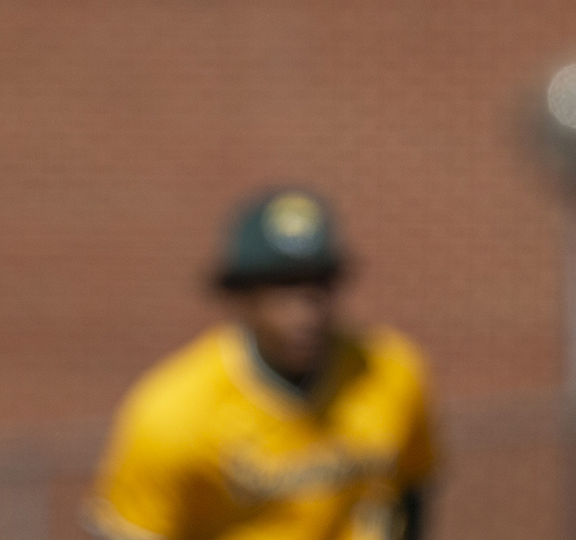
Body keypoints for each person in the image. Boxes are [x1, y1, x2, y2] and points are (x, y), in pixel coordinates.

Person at [86, 191, 436, 540]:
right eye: (282, 287)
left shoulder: (390, 372)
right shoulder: (172, 411)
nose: (305, 312)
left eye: (318, 284)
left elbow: (413, 487)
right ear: (242, 296)